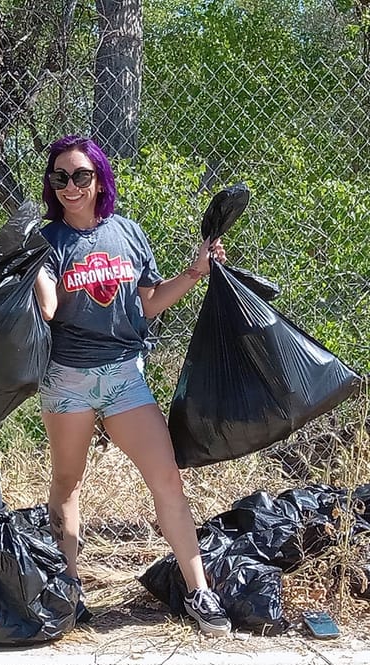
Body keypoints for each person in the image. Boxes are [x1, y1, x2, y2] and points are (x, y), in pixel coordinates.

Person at [32, 135, 232, 636]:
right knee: (67, 481)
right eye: (60, 178)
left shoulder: (128, 233)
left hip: (125, 375)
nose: (71, 186)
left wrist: (194, 272)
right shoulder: (47, 242)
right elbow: (49, 311)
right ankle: (70, 590)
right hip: (69, 378)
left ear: (99, 178)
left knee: (166, 479)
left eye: (80, 175)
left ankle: (199, 590)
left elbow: (146, 305)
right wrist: (33, 270)